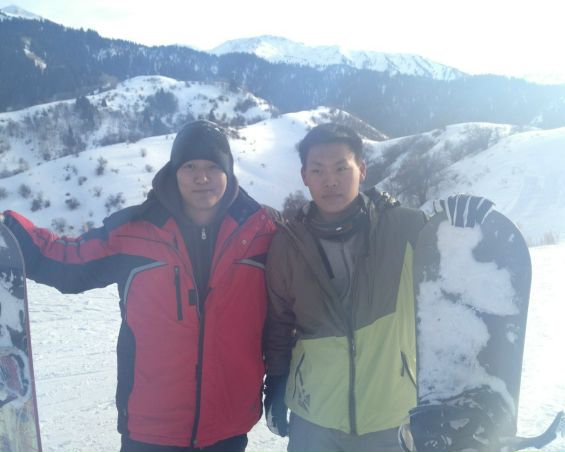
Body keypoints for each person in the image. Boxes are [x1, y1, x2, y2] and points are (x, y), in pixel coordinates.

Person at [3, 120, 278, 452]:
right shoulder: (135, 231)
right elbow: (70, 260)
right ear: (174, 172)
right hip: (151, 427)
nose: (201, 177)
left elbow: (295, 303)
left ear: (228, 172)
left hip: (228, 425)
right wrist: (12, 234)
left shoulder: (263, 233)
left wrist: (280, 380)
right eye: (190, 166)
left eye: (212, 166)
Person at [262, 123, 490, 452]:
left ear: (362, 169)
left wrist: (466, 235)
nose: (330, 180)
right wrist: (277, 382)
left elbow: (452, 288)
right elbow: (279, 324)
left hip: (392, 414)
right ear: (304, 176)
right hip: (314, 417)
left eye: (341, 168)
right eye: (318, 170)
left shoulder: (407, 227)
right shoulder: (287, 245)